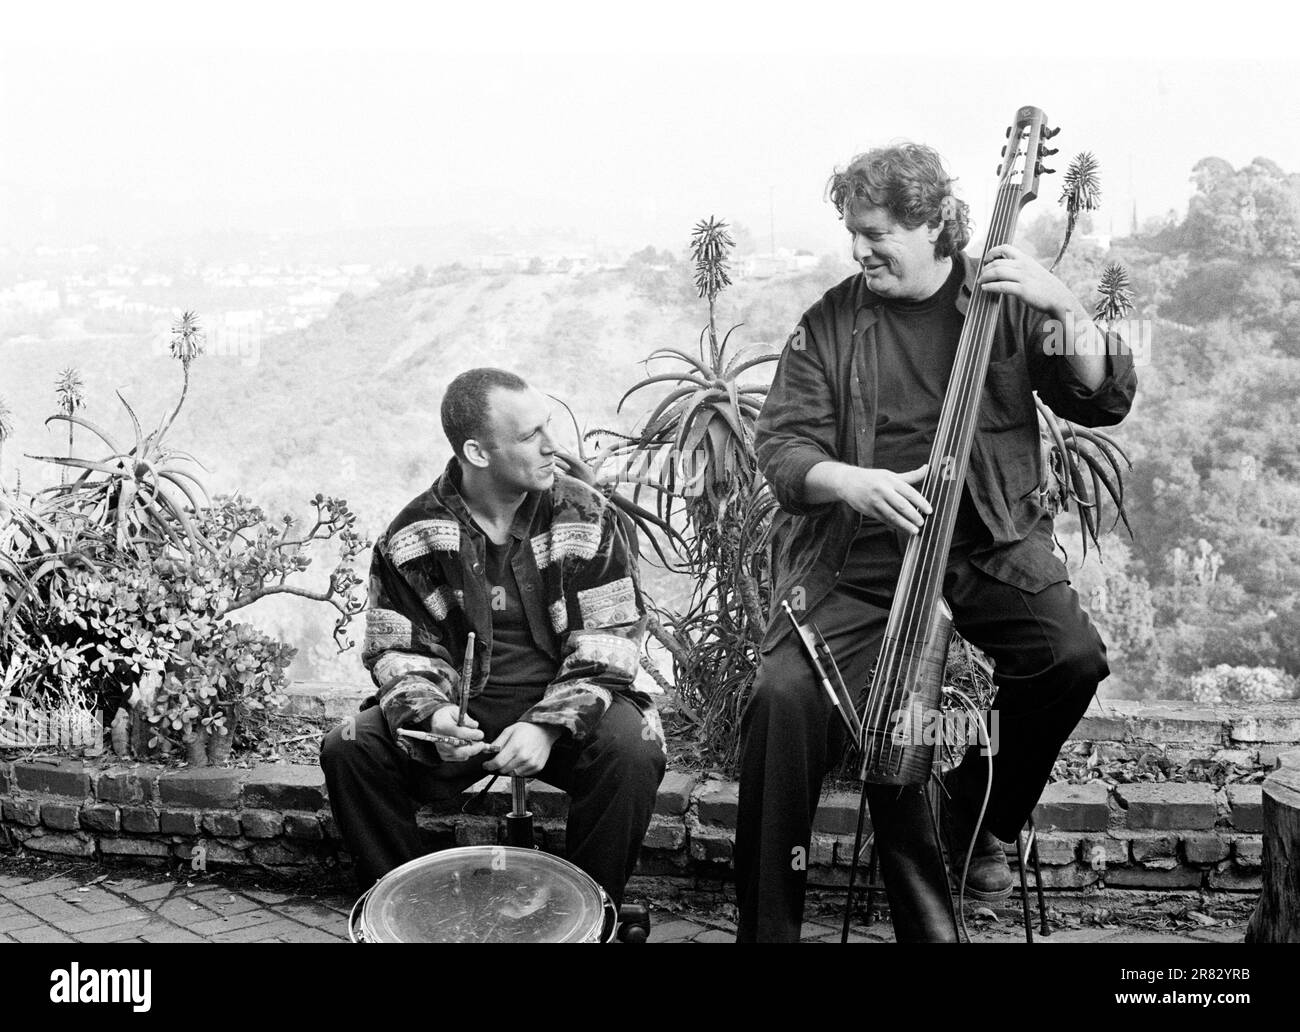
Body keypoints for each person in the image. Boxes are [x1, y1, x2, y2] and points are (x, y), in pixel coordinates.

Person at [736, 142, 1138, 942]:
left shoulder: (1007, 300)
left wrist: (1066, 308)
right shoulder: (830, 323)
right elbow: (781, 449)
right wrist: (849, 481)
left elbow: (1105, 399)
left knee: (1069, 659)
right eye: (852, 231)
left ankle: (973, 808)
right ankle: (768, 930)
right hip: (864, 557)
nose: (858, 250)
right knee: (781, 698)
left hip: (989, 541)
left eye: (876, 233)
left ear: (934, 225)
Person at [321, 368, 666, 907]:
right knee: (350, 748)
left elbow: (611, 640)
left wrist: (548, 727)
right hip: (462, 723)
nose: (554, 447)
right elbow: (397, 649)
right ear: (478, 453)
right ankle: (407, 913)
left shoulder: (586, 513)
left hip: (568, 714)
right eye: (531, 436)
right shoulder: (411, 535)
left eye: (546, 427)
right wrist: (433, 716)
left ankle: (589, 917)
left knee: (633, 748)